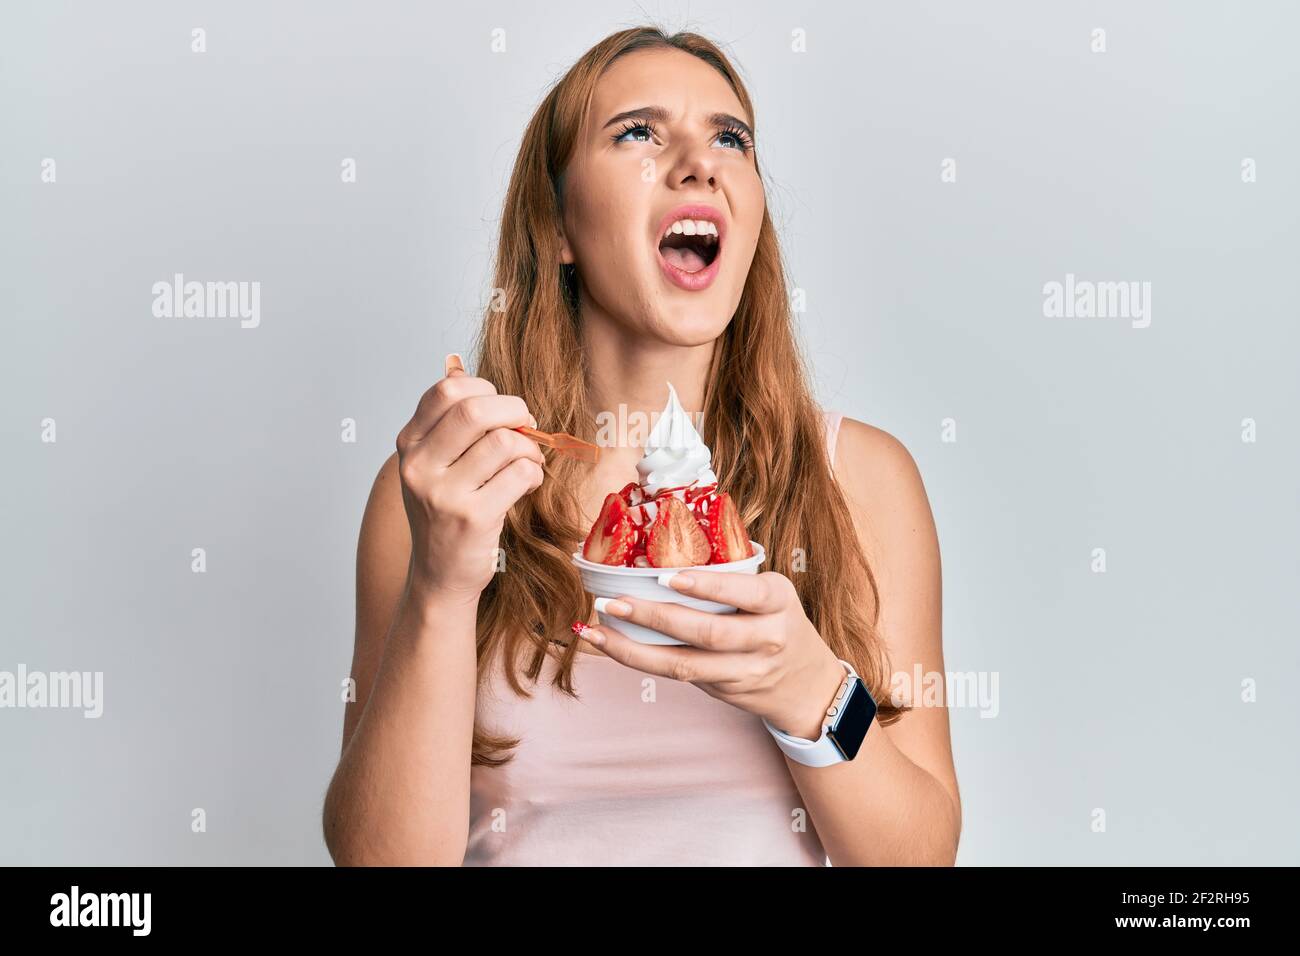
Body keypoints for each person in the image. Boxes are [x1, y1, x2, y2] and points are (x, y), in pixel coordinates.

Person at [322, 26, 959, 866]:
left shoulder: (862, 478)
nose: (701, 163)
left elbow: (920, 857)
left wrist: (810, 690)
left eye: (730, 138)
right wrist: (441, 586)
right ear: (557, 227)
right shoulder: (446, 490)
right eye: (639, 133)